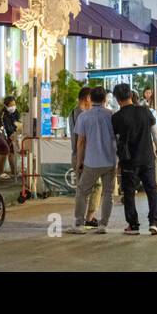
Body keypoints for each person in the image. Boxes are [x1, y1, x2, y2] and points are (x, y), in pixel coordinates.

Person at [111, 83, 157, 235]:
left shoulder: (116, 118)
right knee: (152, 190)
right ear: (130, 94)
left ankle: (133, 225)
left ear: (117, 99)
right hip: (147, 157)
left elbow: (115, 141)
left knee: (129, 192)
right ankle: (154, 222)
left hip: (129, 161)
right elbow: (154, 131)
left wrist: (116, 162)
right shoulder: (144, 111)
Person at [68, 85, 117, 234]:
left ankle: (79, 224)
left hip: (91, 162)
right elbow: (117, 138)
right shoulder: (112, 115)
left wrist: (79, 162)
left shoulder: (84, 116)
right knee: (108, 193)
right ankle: (103, 225)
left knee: (82, 192)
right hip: (109, 161)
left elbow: (81, 141)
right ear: (104, 99)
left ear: (91, 99)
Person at [69, 87, 100, 227]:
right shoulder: (85, 115)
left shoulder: (73, 113)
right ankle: (88, 217)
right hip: (86, 156)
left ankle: (82, 218)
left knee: (82, 189)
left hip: (77, 155)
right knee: (95, 186)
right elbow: (83, 140)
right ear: (87, 98)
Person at [0, 95, 21, 179]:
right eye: (11, 105)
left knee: (11, 153)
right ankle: (1, 172)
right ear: (6, 105)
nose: (13, 107)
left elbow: (16, 123)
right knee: (4, 152)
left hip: (10, 135)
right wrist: (11, 135)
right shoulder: (2, 114)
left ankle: (13, 171)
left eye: (14, 104)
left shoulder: (15, 112)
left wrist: (15, 133)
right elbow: (3, 128)